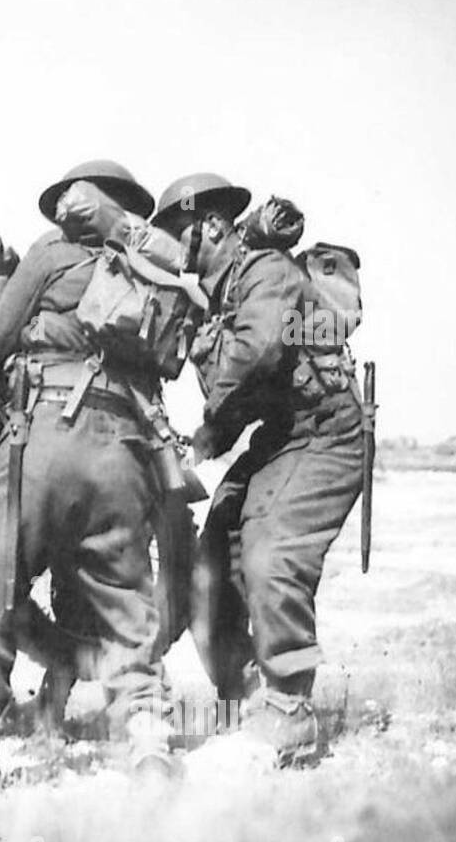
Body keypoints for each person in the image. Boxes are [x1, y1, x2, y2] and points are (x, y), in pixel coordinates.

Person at [0, 160, 174, 791]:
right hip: (126, 452)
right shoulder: (156, 270)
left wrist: (1, 288)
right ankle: (149, 746)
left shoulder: (52, 252)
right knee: (125, 601)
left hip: (48, 438)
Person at [151, 172, 364, 767]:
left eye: (177, 231)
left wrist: (200, 351)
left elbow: (253, 356)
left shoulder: (265, 272)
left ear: (213, 226)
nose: (170, 244)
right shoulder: (223, 291)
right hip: (282, 438)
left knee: (271, 556)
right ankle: (248, 701)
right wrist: (204, 439)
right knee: (209, 566)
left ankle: (291, 713)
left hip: (327, 434)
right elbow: (244, 392)